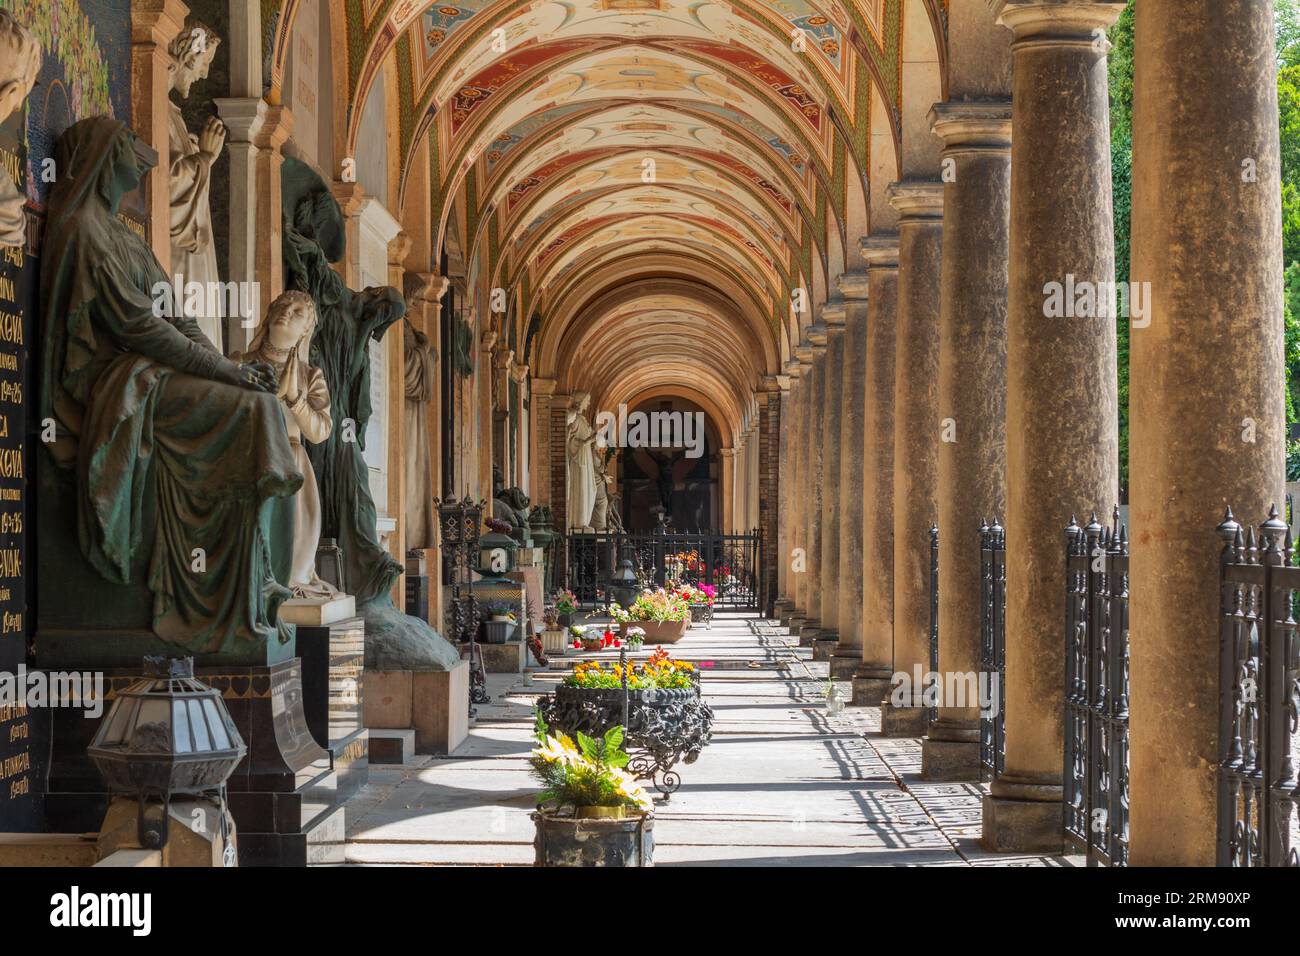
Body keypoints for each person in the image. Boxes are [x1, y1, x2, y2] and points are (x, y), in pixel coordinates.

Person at [40, 116, 300, 657]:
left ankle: (258, 576)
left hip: (156, 372)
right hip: (120, 384)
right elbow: (140, 328)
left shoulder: (122, 234)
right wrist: (225, 372)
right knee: (251, 412)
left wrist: (226, 365)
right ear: (106, 163)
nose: (135, 176)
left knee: (261, 402)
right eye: (129, 164)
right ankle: (235, 588)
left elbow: (174, 316)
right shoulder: (83, 229)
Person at [235, 291, 335, 597]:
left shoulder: (309, 375)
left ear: (306, 330)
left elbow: (321, 430)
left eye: (297, 312)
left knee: (291, 558)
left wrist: (296, 400)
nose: (286, 312)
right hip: (246, 456)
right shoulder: (239, 363)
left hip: (290, 461)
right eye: (281, 306)